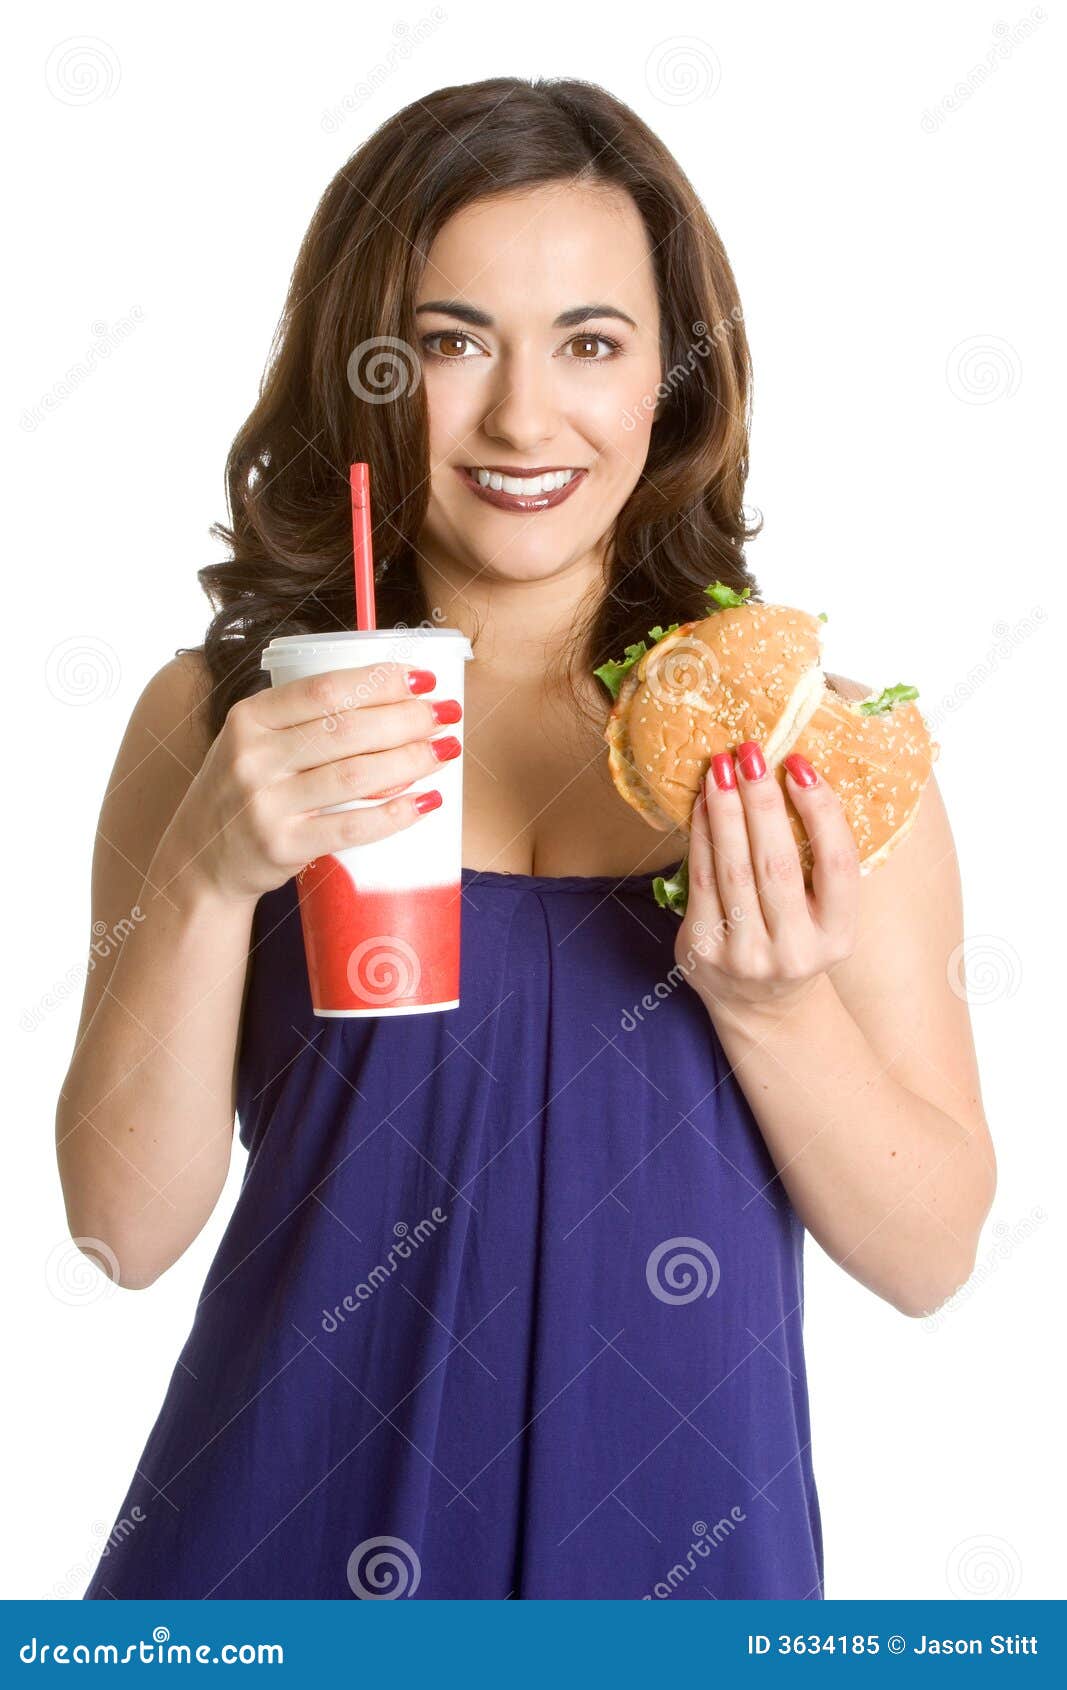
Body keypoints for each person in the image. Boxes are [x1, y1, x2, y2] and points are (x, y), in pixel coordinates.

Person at [59, 76, 995, 1601]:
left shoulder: (803, 748)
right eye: (449, 342)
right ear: (363, 367)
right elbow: (121, 1227)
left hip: (681, 1586)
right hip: (273, 1569)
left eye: (591, 343)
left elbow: (933, 1248)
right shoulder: (219, 718)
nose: (520, 415)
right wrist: (211, 874)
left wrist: (769, 1001)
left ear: (670, 383)